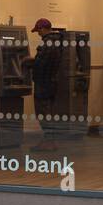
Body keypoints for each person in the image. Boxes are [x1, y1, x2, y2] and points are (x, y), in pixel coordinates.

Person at [25, 18, 63, 153]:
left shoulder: (47, 44)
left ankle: (49, 142)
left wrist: (29, 62)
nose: (38, 34)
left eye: (38, 31)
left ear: (42, 29)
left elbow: (41, 64)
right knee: (49, 113)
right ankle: (50, 141)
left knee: (43, 113)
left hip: (44, 84)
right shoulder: (57, 42)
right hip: (52, 83)